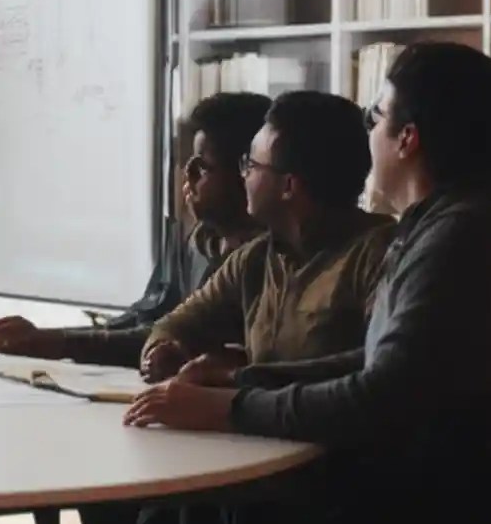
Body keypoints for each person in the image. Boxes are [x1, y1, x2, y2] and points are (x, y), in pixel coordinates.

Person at [125, 42, 491, 524]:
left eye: (377, 118)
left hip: (427, 515)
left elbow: (382, 395)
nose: (369, 135)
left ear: (408, 139)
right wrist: (242, 382)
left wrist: (230, 408)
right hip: (411, 491)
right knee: (175, 523)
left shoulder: (456, 237)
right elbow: (385, 365)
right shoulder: (437, 227)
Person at [0, 92, 270, 366]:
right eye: (188, 164)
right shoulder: (198, 239)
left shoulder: (266, 261)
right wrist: (47, 336)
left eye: (203, 168)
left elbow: (182, 340)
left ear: (247, 173)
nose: (187, 176)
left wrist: (54, 342)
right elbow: (151, 318)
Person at [139, 90, 394, 385]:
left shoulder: (381, 254)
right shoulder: (256, 257)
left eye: (251, 165)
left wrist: (238, 378)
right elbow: (177, 324)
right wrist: (162, 350)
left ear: (288, 186)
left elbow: (378, 367)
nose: (243, 175)